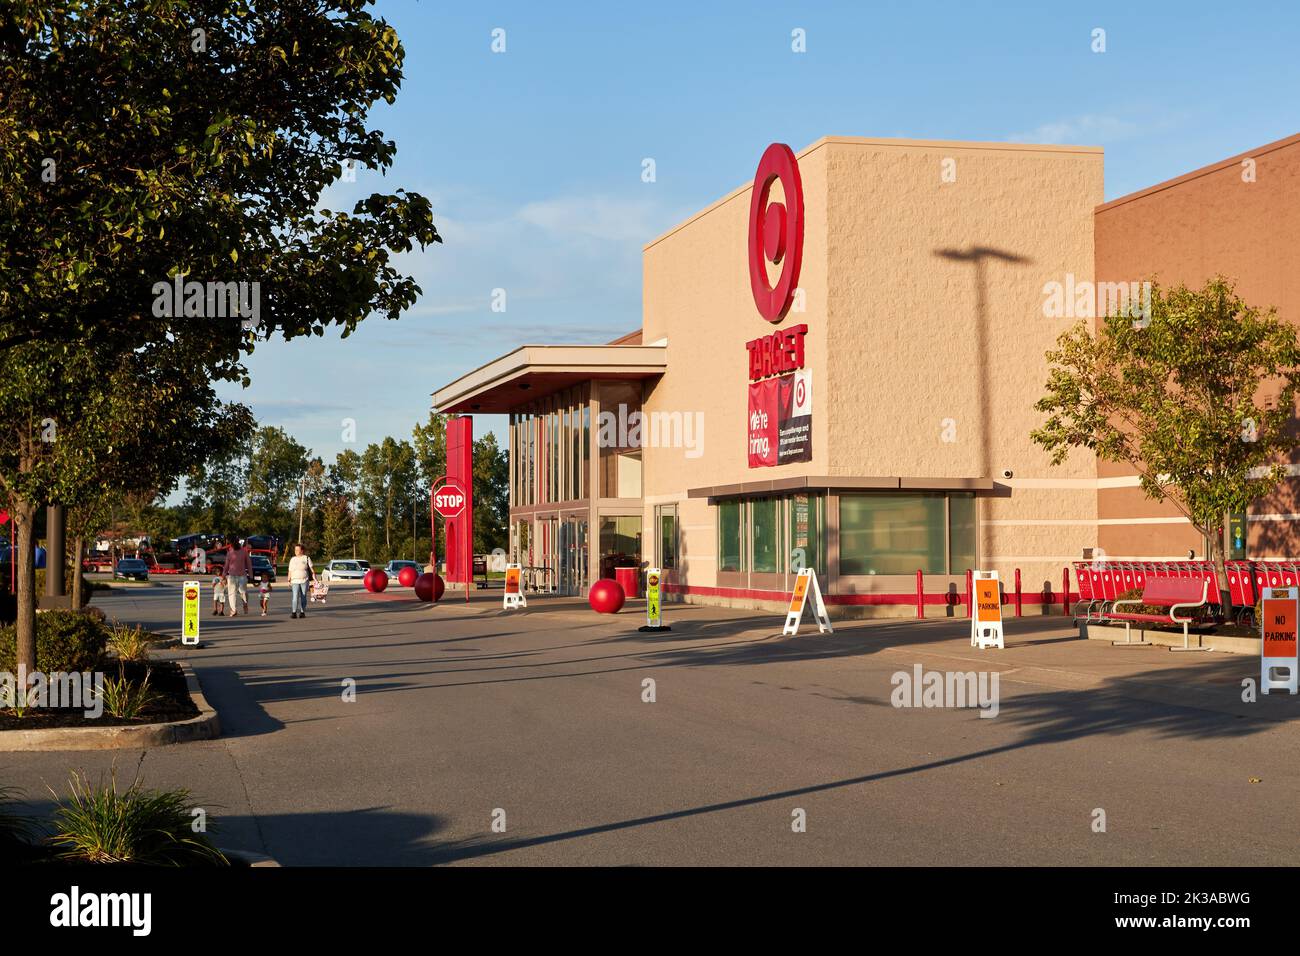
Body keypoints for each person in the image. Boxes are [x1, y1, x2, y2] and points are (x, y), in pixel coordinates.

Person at [224, 535, 252, 617]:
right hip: (232, 576)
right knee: (231, 594)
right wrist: (223, 575)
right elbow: (226, 565)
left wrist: (251, 575)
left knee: (243, 592)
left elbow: (249, 564)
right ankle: (233, 610)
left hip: (242, 576)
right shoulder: (230, 553)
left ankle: (245, 603)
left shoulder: (244, 552)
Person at [287, 543, 314, 619]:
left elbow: (312, 570)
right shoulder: (292, 559)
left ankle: (302, 612)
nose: (296, 551)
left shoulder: (306, 558)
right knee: (295, 596)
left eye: (298, 550)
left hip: (304, 581)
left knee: (303, 596)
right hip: (294, 581)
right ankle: (294, 612)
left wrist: (315, 579)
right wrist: (288, 580)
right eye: (295, 550)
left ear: (302, 551)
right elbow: (290, 570)